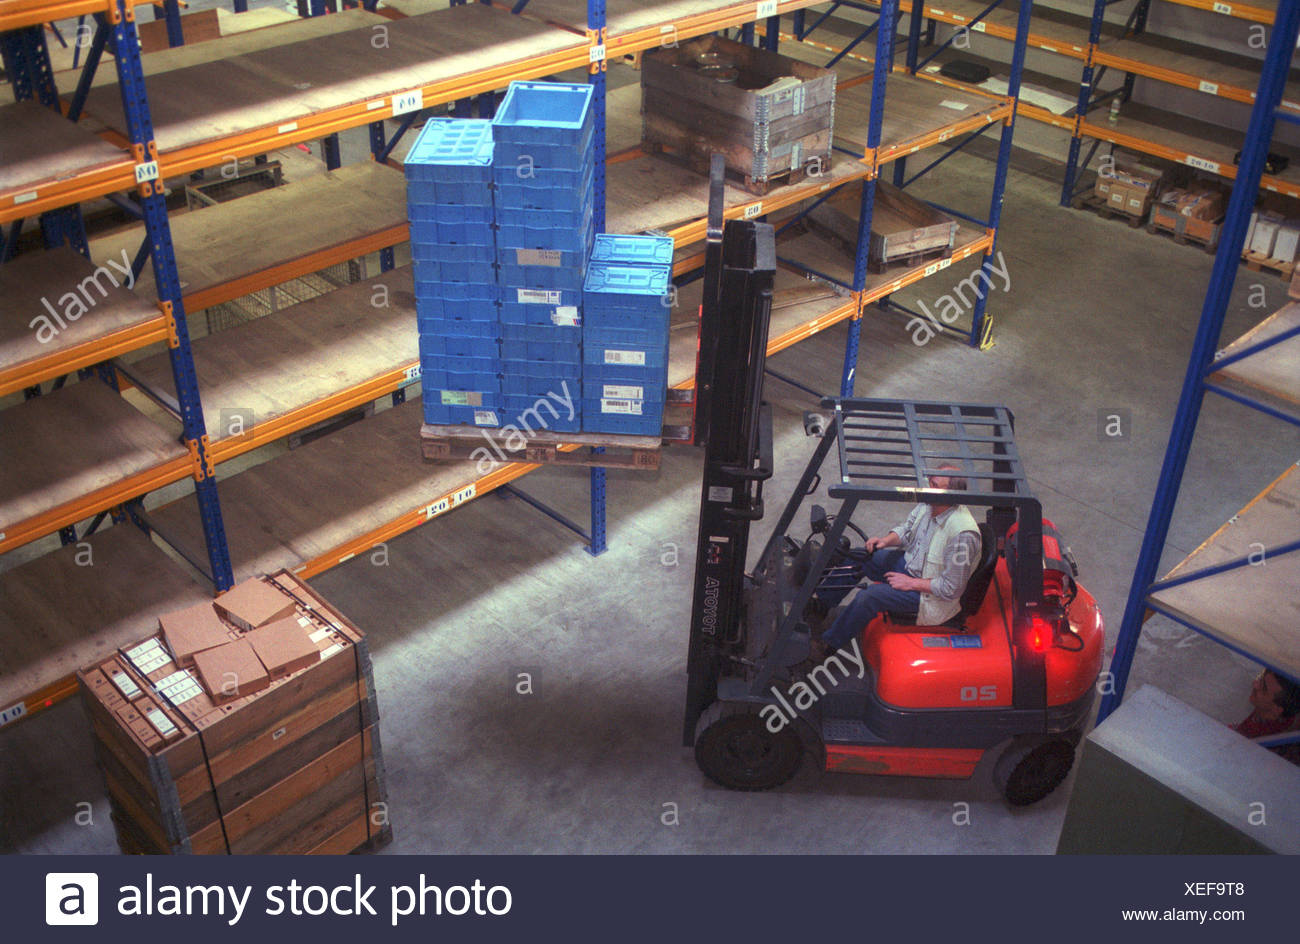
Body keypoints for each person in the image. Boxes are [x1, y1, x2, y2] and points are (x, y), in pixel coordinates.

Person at [812, 464, 981, 657]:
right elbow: (907, 530)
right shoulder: (929, 503)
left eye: (934, 485)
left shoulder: (962, 534)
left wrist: (910, 583)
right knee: (861, 557)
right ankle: (820, 606)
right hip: (912, 566)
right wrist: (885, 541)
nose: (927, 488)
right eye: (930, 482)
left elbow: (951, 588)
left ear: (950, 495)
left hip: (930, 596)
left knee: (869, 597)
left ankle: (828, 645)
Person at [1233, 669, 1300, 766]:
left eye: (1263, 689)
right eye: (1260, 677)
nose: (1255, 683)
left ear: (1276, 709)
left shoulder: (1266, 746)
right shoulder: (1270, 711)